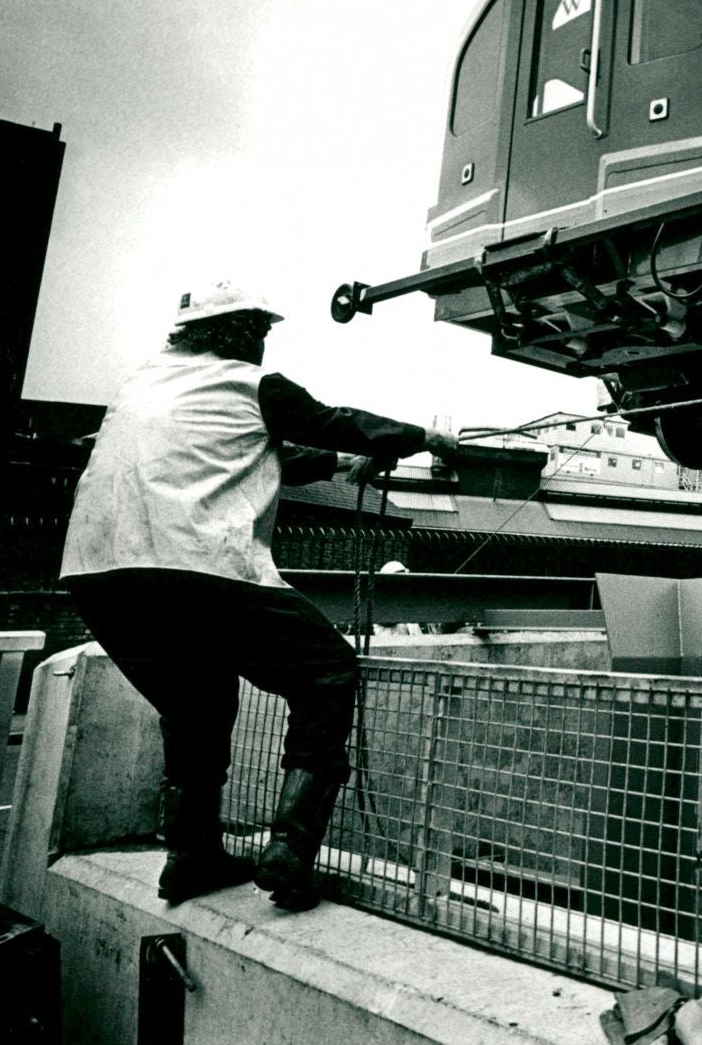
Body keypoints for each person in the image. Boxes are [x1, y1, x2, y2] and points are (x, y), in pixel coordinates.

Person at [59, 280, 458, 911]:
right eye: (258, 333)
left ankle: (191, 858)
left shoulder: (138, 392)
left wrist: (333, 464)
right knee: (326, 671)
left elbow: (253, 455)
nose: (262, 344)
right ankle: (292, 852)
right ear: (234, 332)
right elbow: (336, 422)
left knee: (197, 706)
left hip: (101, 579)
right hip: (195, 566)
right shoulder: (254, 386)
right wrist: (423, 438)